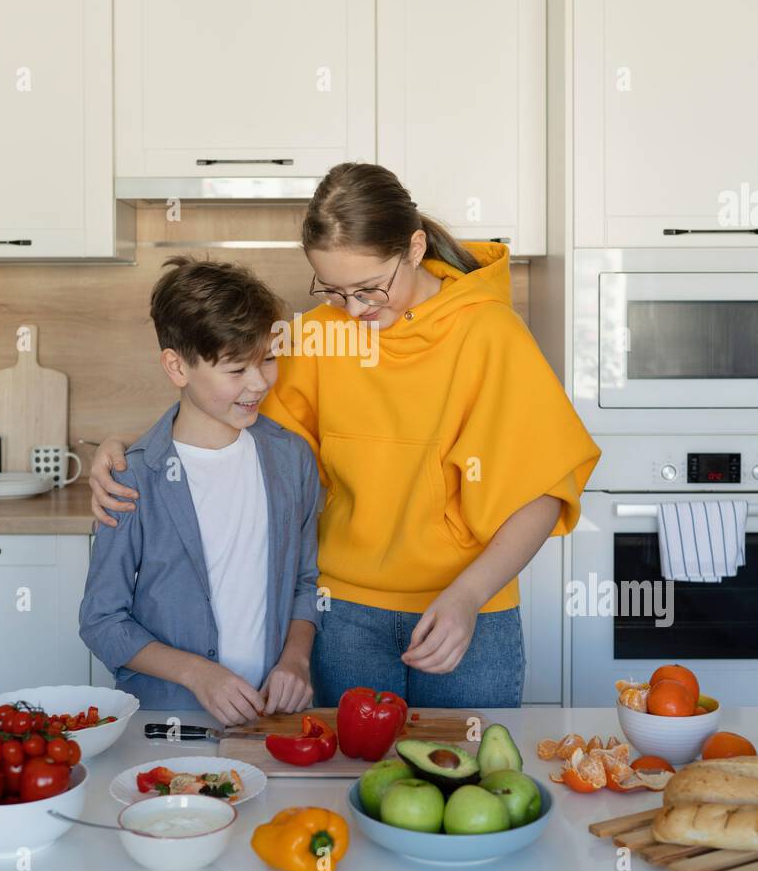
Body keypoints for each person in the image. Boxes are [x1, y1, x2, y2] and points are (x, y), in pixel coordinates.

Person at [89, 163, 602, 709]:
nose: (355, 311)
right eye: (334, 291)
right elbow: (221, 403)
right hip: (342, 616)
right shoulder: (316, 335)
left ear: (414, 247)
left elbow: (543, 491)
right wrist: (123, 450)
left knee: (471, 781)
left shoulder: (491, 335)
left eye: (368, 288)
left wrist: (469, 596)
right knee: (349, 786)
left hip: (470, 611)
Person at [78, 256, 322, 726]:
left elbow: (305, 583)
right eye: (235, 370)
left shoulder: (292, 460)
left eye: (268, 359)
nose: (259, 383)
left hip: (273, 719)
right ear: (177, 367)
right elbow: (102, 621)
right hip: (167, 722)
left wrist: (296, 659)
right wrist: (197, 674)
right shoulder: (130, 477)